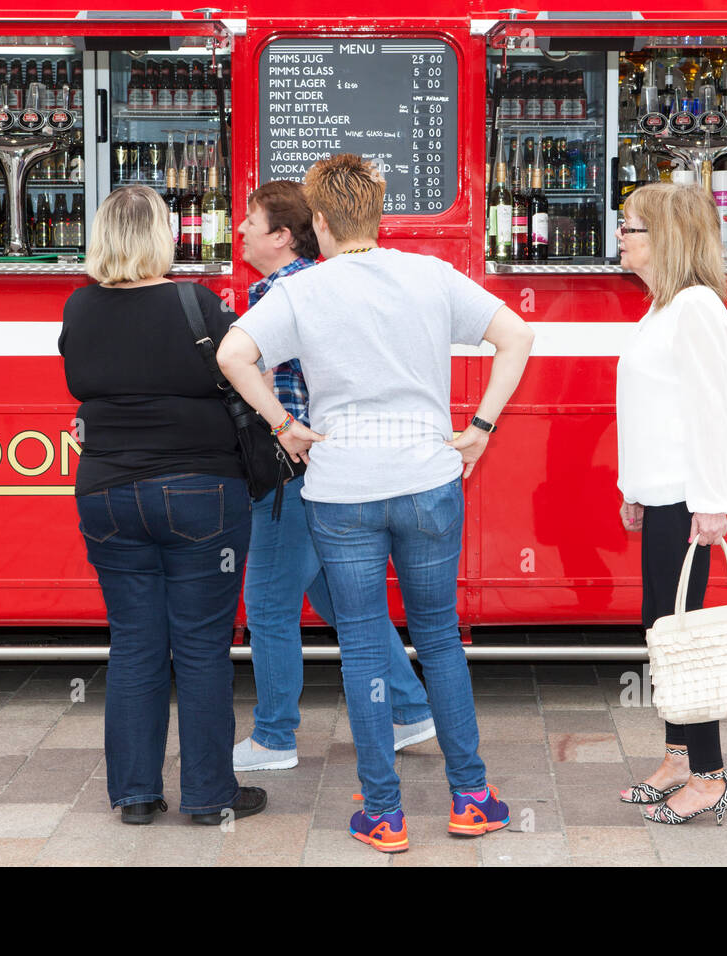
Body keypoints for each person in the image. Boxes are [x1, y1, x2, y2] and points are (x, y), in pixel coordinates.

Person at [217, 154, 535, 853]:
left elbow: (233, 356)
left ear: (321, 223)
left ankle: (385, 815)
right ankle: (472, 798)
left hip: (341, 488)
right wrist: (479, 429)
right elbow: (517, 336)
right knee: (441, 639)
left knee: (361, 644)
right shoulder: (430, 275)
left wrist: (285, 425)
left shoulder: (303, 292)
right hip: (428, 479)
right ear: (377, 215)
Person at [58, 185, 265, 826]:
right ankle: (209, 797)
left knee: (135, 643)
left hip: (107, 495)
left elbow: (82, 386)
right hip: (202, 492)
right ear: (160, 237)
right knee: (202, 646)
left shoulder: (79, 307)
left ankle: (137, 796)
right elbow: (242, 373)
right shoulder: (193, 302)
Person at [232, 180, 435, 772]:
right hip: (340, 468)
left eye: (250, 220)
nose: (239, 229)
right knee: (337, 599)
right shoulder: (331, 284)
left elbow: (246, 372)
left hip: (293, 470)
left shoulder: (279, 293)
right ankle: (409, 707)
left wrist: (280, 425)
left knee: (268, 604)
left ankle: (273, 737)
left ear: (282, 236)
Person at [613, 182, 727, 825]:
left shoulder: (695, 309)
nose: (621, 234)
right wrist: (632, 489)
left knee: (684, 639)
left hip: (689, 501)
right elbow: (649, 412)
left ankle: (711, 775)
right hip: (661, 495)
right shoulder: (663, 308)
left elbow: (708, 412)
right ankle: (678, 757)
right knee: (662, 629)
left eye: (631, 225)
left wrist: (713, 501)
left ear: (666, 236)